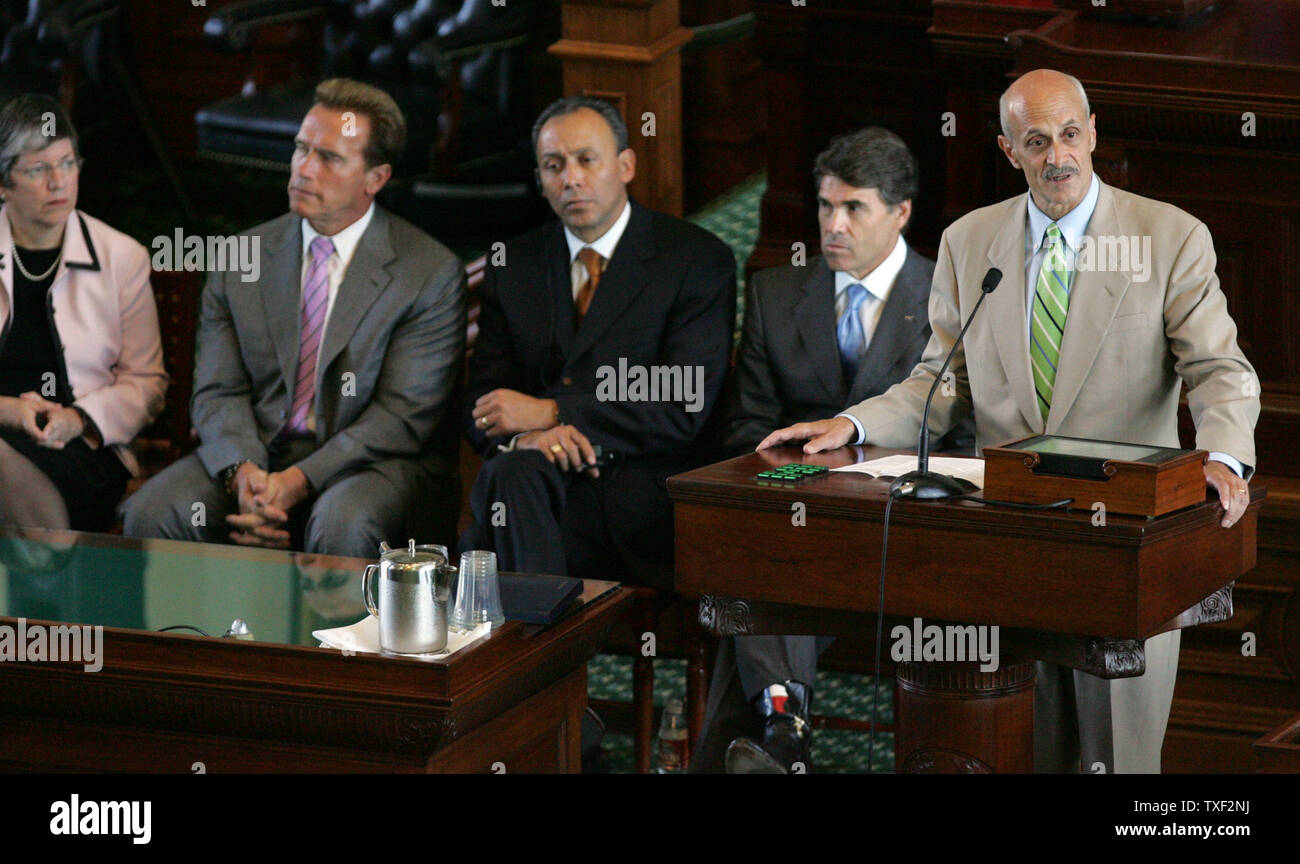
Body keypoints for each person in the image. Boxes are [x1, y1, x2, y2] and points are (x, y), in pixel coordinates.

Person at [759, 69, 1259, 774]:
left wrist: (1222, 459)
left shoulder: (1169, 236)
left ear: (1093, 134)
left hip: (1123, 544)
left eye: (1069, 134)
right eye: (1035, 141)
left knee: (1112, 761)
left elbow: (1220, 372)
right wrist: (854, 424)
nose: (1057, 155)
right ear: (1007, 149)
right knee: (1014, 751)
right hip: (1009, 542)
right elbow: (940, 382)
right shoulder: (971, 242)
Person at [692, 127, 972, 774]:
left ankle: (777, 735)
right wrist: (792, 476)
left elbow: (962, 443)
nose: (833, 225)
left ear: (901, 213)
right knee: (771, 557)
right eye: (824, 206)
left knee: (755, 594)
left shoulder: (947, 301)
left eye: (854, 208)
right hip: (795, 519)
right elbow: (746, 432)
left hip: (903, 529)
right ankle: (784, 733)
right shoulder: (774, 291)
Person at [122, 79, 465, 558]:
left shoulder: (427, 272)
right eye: (301, 149)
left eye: (329, 158)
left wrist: (298, 481)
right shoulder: (240, 258)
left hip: (372, 465)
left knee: (342, 521)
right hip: (257, 453)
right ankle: (195, 635)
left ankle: (335, 637)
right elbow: (218, 391)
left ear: (376, 178)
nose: (304, 169)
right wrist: (245, 475)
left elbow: (400, 419)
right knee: (154, 509)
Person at [461, 95, 735, 591]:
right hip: (542, 493)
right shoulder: (514, 266)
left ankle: (531, 656)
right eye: (553, 165)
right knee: (515, 472)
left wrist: (552, 414)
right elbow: (483, 403)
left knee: (497, 516)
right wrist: (526, 437)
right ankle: (547, 655)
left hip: (645, 505)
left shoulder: (694, 259)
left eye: (587, 160)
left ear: (625, 165)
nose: (571, 178)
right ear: (541, 179)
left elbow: (681, 402)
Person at [0, 94, 167, 532]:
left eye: (68, 163)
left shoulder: (121, 257)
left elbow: (146, 385)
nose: (59, 182)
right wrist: (9, 411)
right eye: (38, 169)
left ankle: (39, 577)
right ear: (3, 183)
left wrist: (77, 420)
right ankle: (45, 583)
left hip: (83, 443)